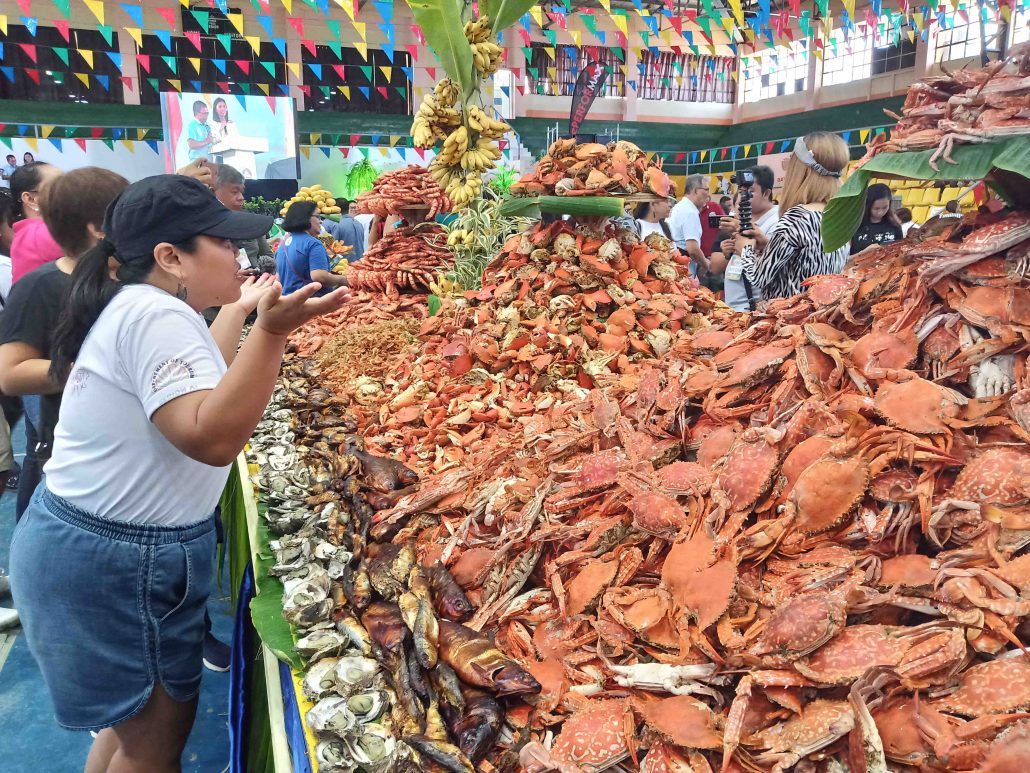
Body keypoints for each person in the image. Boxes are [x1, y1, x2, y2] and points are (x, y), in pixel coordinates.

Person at [9, 174, 346, 773]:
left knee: (129, 729)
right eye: (223, 243)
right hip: (118, 560)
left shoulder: (148, 307)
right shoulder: (154, 316)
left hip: (92, 545)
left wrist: (240, 311)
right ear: (170, 257)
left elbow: (203, 372)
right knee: (153, 742)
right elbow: (209, 438)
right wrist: (271, 333)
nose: (237, 255)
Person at [738, 131, 850, 301]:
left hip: (789, 314)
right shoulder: (838, 216)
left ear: (800, 170)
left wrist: (745, 249)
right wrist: (768, 245)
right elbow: (807, 260)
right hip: (820, 312)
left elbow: (759, 277)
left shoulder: (797, 218)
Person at [713, 165, 780, 312]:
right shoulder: (744, 219)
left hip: (757, 308)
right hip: (736, 306)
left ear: (766, 193)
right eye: (741, 192)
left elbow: (775, 261)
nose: (743, 197)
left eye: (750, 192)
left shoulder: (777, 221)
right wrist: (730, 251)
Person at [212, 164, 275, 274]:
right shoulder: (207, 230)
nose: (241, 197)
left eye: (242, 192)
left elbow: (267, 254)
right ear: (213, 192)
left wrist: (268, 274)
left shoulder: (248, 222)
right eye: (235, 192)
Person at [277, 201, 348, 295]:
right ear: (306, 218)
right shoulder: (313, 244)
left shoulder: (282, 246)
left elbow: (278, 278)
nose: (321, 221)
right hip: (311, 301)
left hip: (288, 300)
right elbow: (319, 276)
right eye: (318, 216)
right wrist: (342, 280)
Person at [9, 161, 63, 283]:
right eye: (59, 186)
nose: (70, 190)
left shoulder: (28, 232)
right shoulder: (39, 233)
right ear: (30, 199)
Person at [669, 174, 711, 275]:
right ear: (696, 191)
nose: (709, 195)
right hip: (684, 269)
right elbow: (692, 249)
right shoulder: (690, 212)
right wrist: (707, 265)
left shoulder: (680, 207)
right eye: (706, 190)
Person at [850, 183, 903, 255]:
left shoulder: (894, 225)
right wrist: (864, 252)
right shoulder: (854, 225)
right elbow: (844, 258)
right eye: (876, 208)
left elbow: (900, 252)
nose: (880, 212)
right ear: (867, 206)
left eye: (885, 207)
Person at [326, 198, 366, 262]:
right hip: (361, 263)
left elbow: (333, 250)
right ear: (348, 208)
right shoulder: (359, 224)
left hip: (345, 265)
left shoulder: (337, 225)